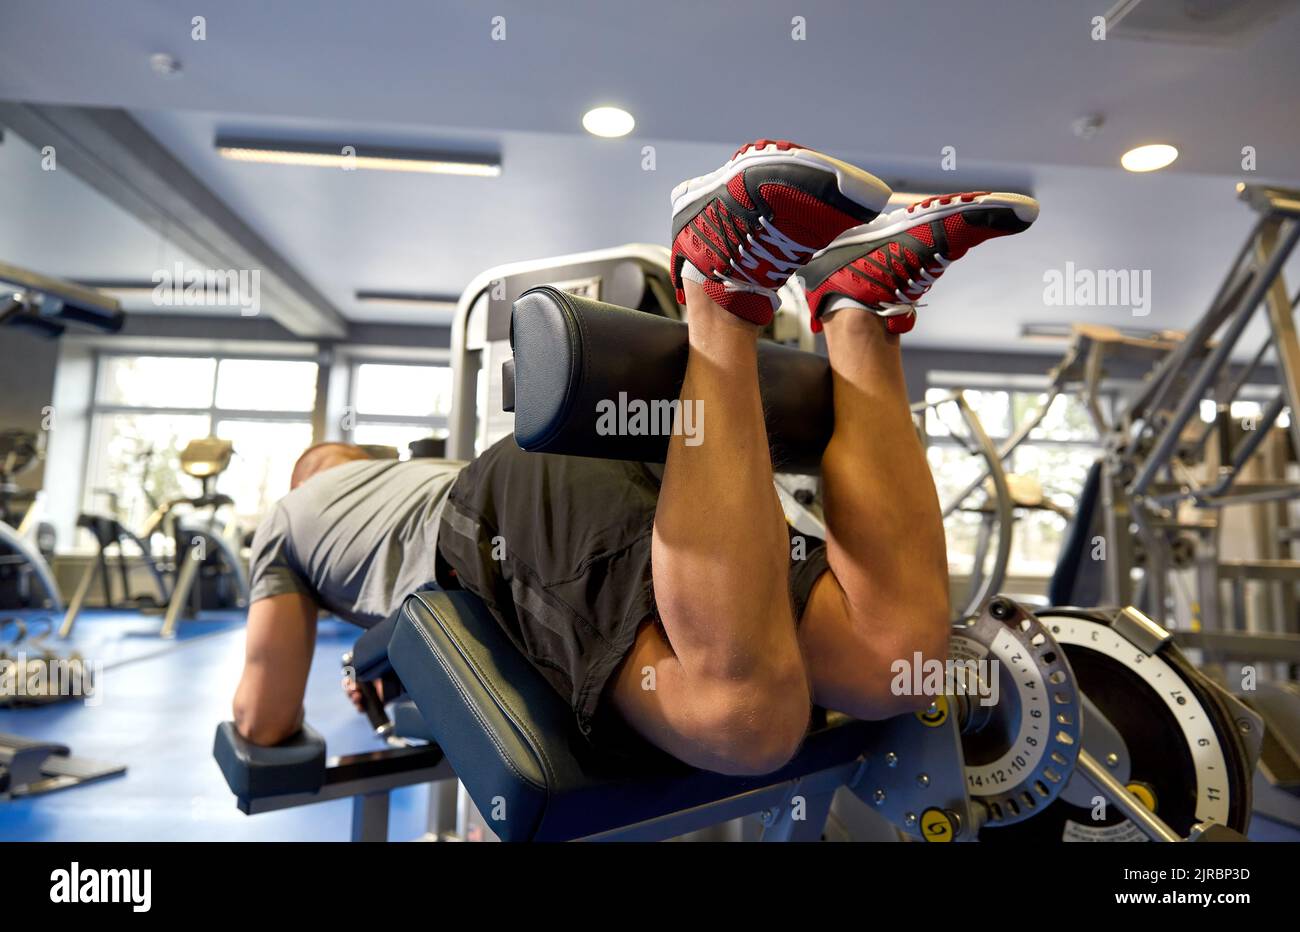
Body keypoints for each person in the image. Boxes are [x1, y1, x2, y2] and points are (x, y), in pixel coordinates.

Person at [233, 139, 1039, 775]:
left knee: (748, 723)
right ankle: (857, 309)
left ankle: (718, 294)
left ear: (316, 469)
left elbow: (262, 717)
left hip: (499, 511)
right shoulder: (403, 479)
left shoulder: (288, 517)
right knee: (891, 665)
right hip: (586, 468)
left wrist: (271, 730)